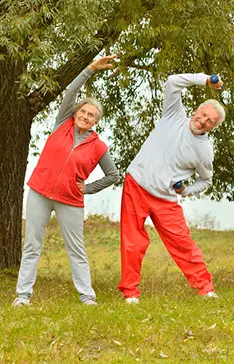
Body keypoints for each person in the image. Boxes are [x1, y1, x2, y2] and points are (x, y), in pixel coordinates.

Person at [13, 55, 119, 306]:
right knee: (32, 245)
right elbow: (71, 90)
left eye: (91, 115)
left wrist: (89, 188)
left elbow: (114, 175)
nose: (86, 116)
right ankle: (23, 296)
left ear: (96, 121)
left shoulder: (98, 146)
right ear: (75, 113)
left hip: (70, 200)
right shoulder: (63, 123)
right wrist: (91, 68)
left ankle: (87, 296)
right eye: (83, 111)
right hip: (39, 192)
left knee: (76, 249)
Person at [118, 72, 225, 304]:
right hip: (136, 183)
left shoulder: (204, 151)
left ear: (213, 127)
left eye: (210, 121)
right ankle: (130, 292)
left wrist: (185, 191)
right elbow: (173, 81)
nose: (204, 121)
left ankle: (206, 289)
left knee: (183, 244)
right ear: (197, 110)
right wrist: (206, 80)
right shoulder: (174, 115)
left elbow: (206, 180)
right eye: (203, 115)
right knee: (132, 242)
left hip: (166, 199)